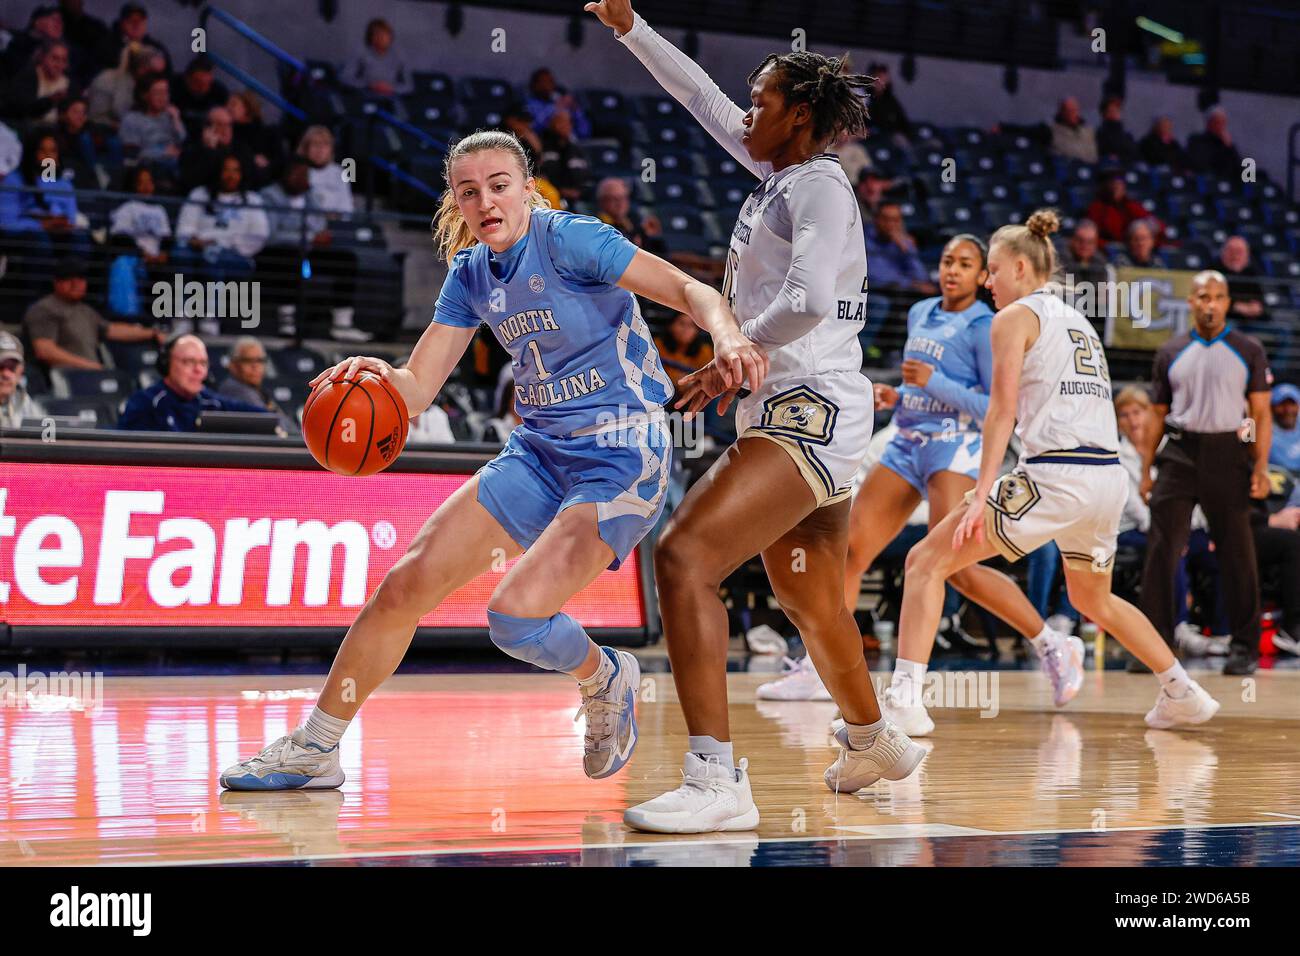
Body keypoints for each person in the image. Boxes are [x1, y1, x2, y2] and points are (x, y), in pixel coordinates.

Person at [218, 127, 760, 794]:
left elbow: (690, 293)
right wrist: (376, 376)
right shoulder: (470, 273)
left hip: (620, 452)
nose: (486, 200)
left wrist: (728, 335)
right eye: (468, 192)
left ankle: (604, 674)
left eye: (499, 185)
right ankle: (316, 747)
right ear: (457, 202)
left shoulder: (571, 239)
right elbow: (417, 388)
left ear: (528, 189)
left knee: (514, 618)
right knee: (403, 586)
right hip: (537, 451)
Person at [592, 0, 925, 833]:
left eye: (763, 100)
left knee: (683, 555)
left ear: (800, 116)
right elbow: (701, 98)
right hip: (796, 406)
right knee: (806, 592)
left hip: (808, 408)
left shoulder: (818, 184)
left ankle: (716, 781)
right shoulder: (781, 174)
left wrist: (731, 350)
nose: (747, 113)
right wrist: (634, 30)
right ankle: (874, 738)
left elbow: (809, 299)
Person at [894, 209, 1220, 732]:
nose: (987, 282)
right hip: (1105, 479)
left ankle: (904, 703)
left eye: (993, 270)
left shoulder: (1013, 317)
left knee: (923, 562)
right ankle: (1182, 691)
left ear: (1021, 267)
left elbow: (1001, 410)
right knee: (1092, 597)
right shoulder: (1080, 322)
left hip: (1057, 475)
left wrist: (980, 494)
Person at [762, 234, 1081, 716]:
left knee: (956, 567)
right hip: (907, 442)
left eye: (967, 264)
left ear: (982, 276)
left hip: (953, 448)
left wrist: (936, 384)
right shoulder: (921, 313)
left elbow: (993, 407)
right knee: (848, 552)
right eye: (947, 260)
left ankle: (1050, 642)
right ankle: (816, 667)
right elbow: (921, 391)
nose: (952, 270)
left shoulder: (987, 324)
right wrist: (901, 397)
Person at [1139, 270, 1273, 676]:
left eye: (1217, 296)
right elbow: (1157, 415)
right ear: (1191, 302)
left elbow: (1259, 413)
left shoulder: (1248, 350)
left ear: (1227, 302)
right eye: (1202, 297)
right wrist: (1145, 469)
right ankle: (1154, 647)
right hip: (1180, 451)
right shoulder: (1171, 351)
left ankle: (1244, 646)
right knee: (1163, 547)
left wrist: (1260, 464)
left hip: (1228, 451)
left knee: (1237, 552)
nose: (1210, 304)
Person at [257, 156, 360, 340]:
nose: (303, 178)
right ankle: (287, 322)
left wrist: (313, 236)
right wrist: (309, 236)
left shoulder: (309, 195)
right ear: (286, 174)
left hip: (308, 250)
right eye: (298, 173)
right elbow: (271, 234)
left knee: (345, 260)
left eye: (306, 174)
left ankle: (342, 324)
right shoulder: (269, 196)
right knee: (289, 258)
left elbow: (318, 222)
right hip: (277, 252)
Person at [23, 257, 161, 370]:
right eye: (69, 279)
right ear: (56, 282)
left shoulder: (86, 311)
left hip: (89, 375)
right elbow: (45, 350)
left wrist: (153, 333)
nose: (76, 284)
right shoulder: (44, 309)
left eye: (81, 279)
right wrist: (89, 366)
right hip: (60, 378)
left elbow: (112, 330)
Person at [118, 333, 266, 431]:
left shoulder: (212, 402)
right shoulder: (145, 403)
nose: (198, 370)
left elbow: (265, 419)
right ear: (167, 363)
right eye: (189, 362)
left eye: (203, 363)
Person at [173, 153, 270, 291]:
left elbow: (259, 236)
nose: (230, 175)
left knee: (212, 256)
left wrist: (218, 242)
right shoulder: (200, 194)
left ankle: (212, 311)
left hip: (235, 256)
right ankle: (181, 310)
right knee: (181, 253)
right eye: (226, 170)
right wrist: (195, 240)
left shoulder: (252, 200)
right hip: (197, 248)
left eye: (236, 170)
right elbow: (184, 229)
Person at [216, 336, 295, 433]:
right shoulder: (234, 389)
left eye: (260, 361)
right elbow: (276, 425)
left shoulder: (256, 389)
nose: (255, 366)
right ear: (233, 365)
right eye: (247, 361)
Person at [85, 44, 161, 130]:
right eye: (154, 73)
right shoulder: (114, 80)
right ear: (142, 68)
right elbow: (115, 113)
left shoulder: (139, 84)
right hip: (103, 128)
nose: (156, 78)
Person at [865, 202, 937, 293]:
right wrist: (910, 284)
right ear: (875, 220)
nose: (890, 224)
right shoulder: (866, 240)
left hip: (903, 293)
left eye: (895, 220)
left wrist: (907, 250)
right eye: (886, 219)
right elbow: (877, 276)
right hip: (877, 292)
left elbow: (921, 276)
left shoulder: (902, 241)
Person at [119, 71, 184, 169]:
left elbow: (182, 141)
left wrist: (176, 120)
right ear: (144, 95)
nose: (163, 98)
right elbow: (131, 154)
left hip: (173, 164)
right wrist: (162, 153)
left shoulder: (168, 116)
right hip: (147, 167)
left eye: (165, 92)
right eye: (158, 93)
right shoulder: (132, 119)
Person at [3, 38, 73, 125]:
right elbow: (22, 111)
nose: (59, 65)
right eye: (55, 59)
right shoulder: (28, 76)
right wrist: (51, 100)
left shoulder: (67, 84)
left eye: (64, 60)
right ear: (42, 57)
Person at [1085, 171, 1163, 245]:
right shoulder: (1096, 208)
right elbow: (1091, 235)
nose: (1116, 187)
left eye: (1119, 184)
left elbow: (1156, 225)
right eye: (1113, 184)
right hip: (1105, 250)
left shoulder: (1132, 206)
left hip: (1131, 247)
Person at [595, 176, 666, 254]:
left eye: (623, 197)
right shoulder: (599, 227)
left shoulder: (634, 222)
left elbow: (658, 254)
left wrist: (651, 236)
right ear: (602, 201)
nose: (620, 203)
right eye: (614, 199)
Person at [344, 18, 411, 99]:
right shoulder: (360, 53)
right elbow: (345, 78)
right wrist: (369, 84)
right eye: (378, 35)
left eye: (386, 35)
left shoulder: (399, 56)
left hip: (391, 98)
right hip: (364, 97)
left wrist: (392, 88)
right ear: (371, 38)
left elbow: (409, 86)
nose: (382, 38)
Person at [297, 125, 353, 216]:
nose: (320, 150)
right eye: (315, 144)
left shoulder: (339, 172)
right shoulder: (298, 171)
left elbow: (347, 208)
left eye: (325, 145)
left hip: (334, 225)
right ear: (306, 148)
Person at [524, 67, 591, 140]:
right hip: (547, 143)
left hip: (572, 144)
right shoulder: (529, 104)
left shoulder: (561, 101)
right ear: (535, 85)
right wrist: (555, 107)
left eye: (551, 81)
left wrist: (576, 110)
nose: (548, 85)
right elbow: (534, 127)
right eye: (544, 81)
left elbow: (585, 132)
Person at [170, 54, 229, 137]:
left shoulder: (219, 92)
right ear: (187, 78)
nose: (203, 88)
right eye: (198, 83)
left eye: (207, 83)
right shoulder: (173, 87)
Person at [0, 331, 46, 429]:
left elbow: (43, 437)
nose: (6, 374)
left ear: (20, 371)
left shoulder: (22, 399)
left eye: (12, 368)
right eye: (1, 367)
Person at [654, 310, 714, 384]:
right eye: (682, 324)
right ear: (671, 326)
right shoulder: (657, 345)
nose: (686, 330)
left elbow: (707, 379)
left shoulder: (705, 350)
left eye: (691, 325)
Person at [1219, 236, 1268, 323]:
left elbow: (1262, 299)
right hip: (1225, 320)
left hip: (1253, 320)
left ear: (1247, 255)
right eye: (1231, 251)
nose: (1235, 256)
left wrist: (1257, 307)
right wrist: (1236, 306)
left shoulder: (1253, 273)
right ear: (1223, 252)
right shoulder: (1213, 273)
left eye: (1239, 252)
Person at [1187, 108, 1242, 181]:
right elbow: (1198, 163)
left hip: (1226, 183)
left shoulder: (1226, 145)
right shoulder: (1197, 141)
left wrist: (1229, 147)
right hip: (1203, 181)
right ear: (1209, 123)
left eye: (1223, 123)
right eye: (1217, 123)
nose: (1220, 127)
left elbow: (1239, 169)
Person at [1049, 97, 1097, 165]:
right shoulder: (1052, 131)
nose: (1072, 113)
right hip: (1067, 170)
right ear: (1062, 112)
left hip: (1090, 169)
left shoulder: (1089, 131)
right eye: (1068, 110)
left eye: (1075, 110)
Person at [1096, 95, 1139, 166]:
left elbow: (1136, 155)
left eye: (1117, 110)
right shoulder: (1100, 134)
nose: (1115, 113)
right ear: (1104, 113)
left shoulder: (1127, 135)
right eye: (1112, 111)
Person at [1268, 383, 1300, 473]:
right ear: (1272, 407)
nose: (1288, 410)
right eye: (1281, 404)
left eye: (1292, 404)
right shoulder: (1263, 433)